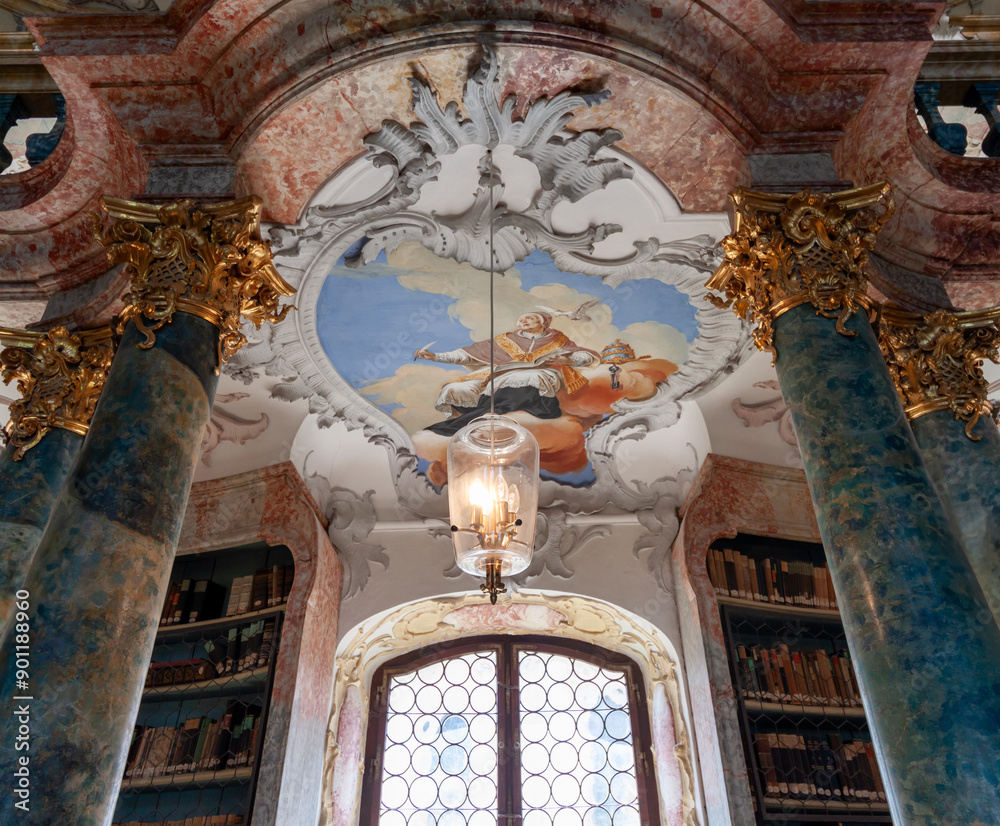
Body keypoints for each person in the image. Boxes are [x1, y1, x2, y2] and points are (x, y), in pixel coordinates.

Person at [414, 311, 600, 435]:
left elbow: (585, 355)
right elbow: (467, 354)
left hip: (542, 372)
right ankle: (478, 416)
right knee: (456, 388)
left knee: (529, 377)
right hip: (500, 373)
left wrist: (569, 360)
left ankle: (488, 414)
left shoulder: (558, 340)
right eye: (521, 319)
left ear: (543, 322)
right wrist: (435, 356)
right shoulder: (506, 340)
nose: (523, 321)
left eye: (530, 318)